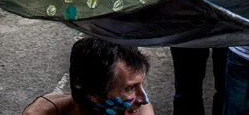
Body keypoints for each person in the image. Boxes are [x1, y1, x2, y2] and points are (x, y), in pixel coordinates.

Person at [23, 38, 152, 115]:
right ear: (93, 94)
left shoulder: (139, 110)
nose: (144, 99)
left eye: (141, 84)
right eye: (130, 88)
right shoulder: (42, 113)